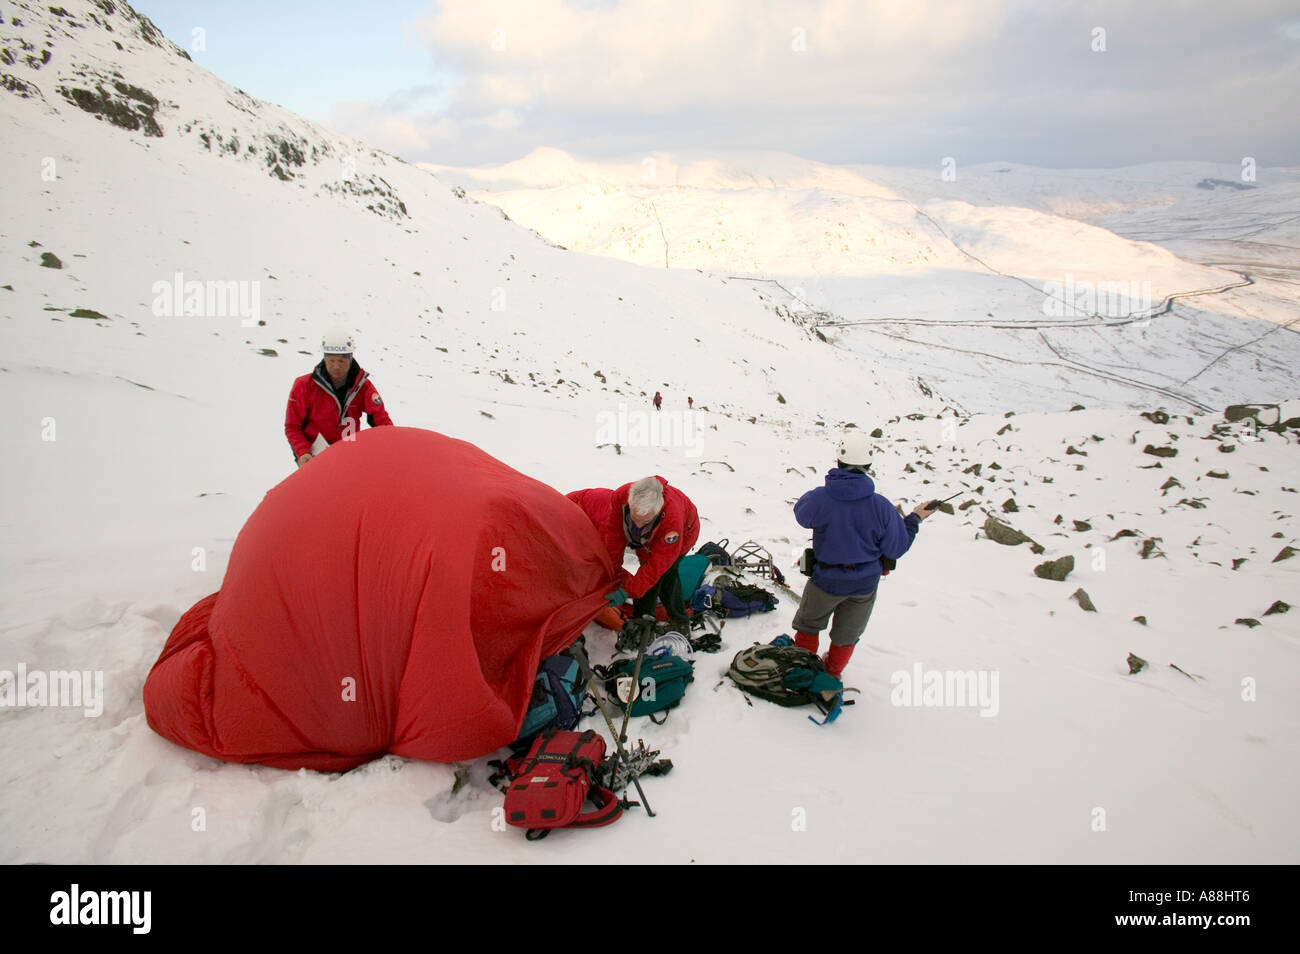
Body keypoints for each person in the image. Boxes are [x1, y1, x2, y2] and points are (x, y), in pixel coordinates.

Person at [790, 431, 935, 678]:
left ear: (839, 460)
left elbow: (802, 515)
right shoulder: (881, 506)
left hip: (825, 580)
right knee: (847, 635)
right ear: (868, 465)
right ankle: (832, 673)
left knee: (808, 626)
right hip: (864, 585)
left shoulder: (821, 498)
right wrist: (914, 518)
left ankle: (804, 672)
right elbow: (896, 547)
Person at [567, 476, 700, 632]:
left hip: (684, 533)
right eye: (635, 517)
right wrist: (611, 576)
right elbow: (614, 537)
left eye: (644, 521)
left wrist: (627, 591)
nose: (637, 524)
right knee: (645, 575)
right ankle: (642, 619)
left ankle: (678, 620)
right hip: (647, 535)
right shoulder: (621, 496)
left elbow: (656, 567)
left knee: (665, 575)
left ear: (657, 512)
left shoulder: (672, 521)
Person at [285, 330, 393, 467]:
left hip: (349, 456)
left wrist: (391, 444)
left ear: (350, 359)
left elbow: (381, 419)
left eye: (341, 361)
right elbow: (292, 426)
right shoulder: (304, 386)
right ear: (324, 359)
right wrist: (303, 452)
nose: (336, 366)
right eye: (331, 360)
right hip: (314, 459)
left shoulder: (362, 386)